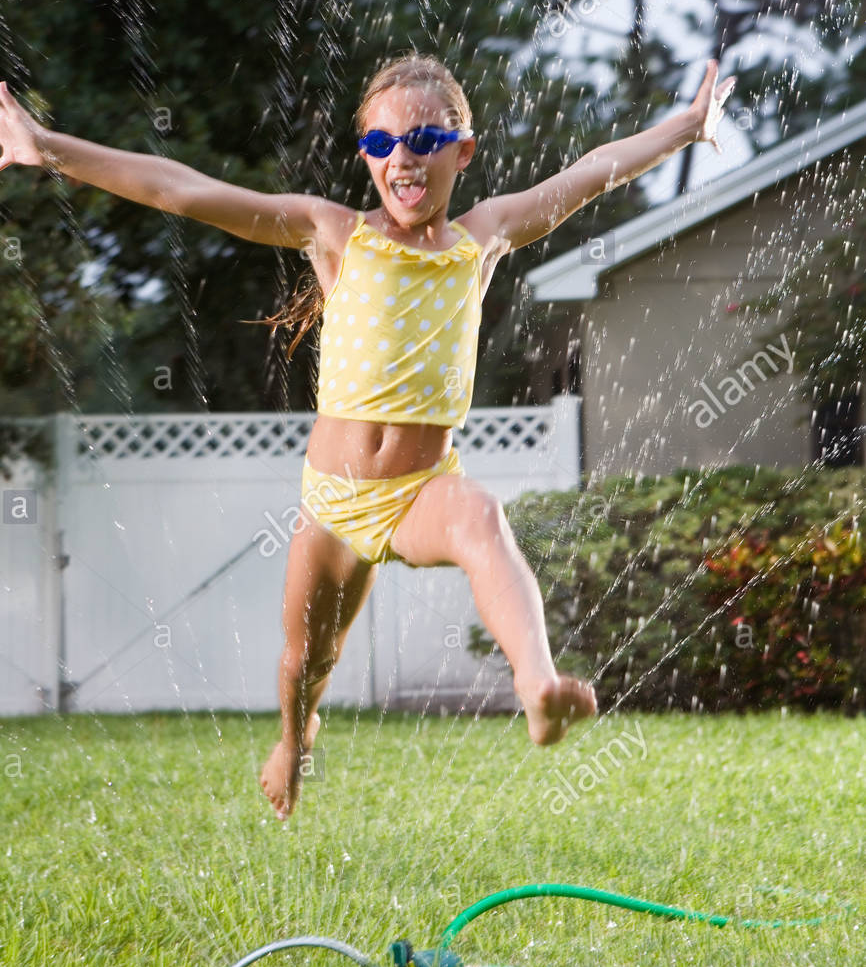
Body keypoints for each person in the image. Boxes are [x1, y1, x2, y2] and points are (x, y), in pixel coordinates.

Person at [0, 54, 735, 820]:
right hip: (330, 502)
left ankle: (538, 688)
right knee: (305, 661)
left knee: (483, 517)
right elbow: (181, 190)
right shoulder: (335, 234)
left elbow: (592, 175)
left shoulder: (482, 239)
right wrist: (45, 147)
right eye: (382, 144)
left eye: (423, 137)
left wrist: (684, 126)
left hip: (420, 493)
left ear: (463, 150)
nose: (403, 156)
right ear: (367, 159)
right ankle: (295, 738)